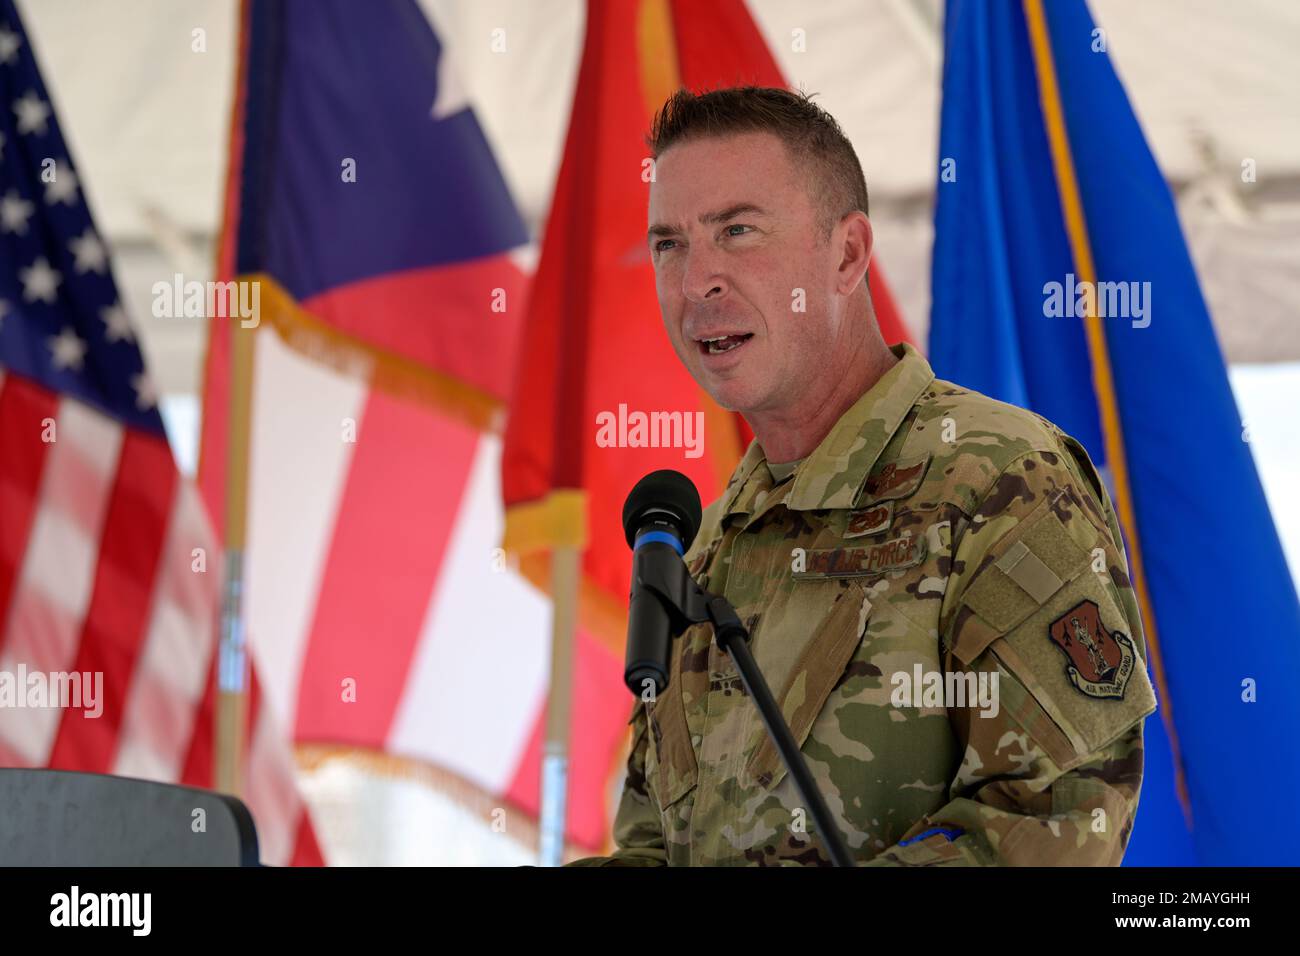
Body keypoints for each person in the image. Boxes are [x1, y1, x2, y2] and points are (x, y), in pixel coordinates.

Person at [569, 86, 1156, 866]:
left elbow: (1057, 824)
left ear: (846, 255)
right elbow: (655, 844)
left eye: (737, 231)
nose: (694, 282)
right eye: (668, 244)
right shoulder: (706, 548)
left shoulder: (999, 482)